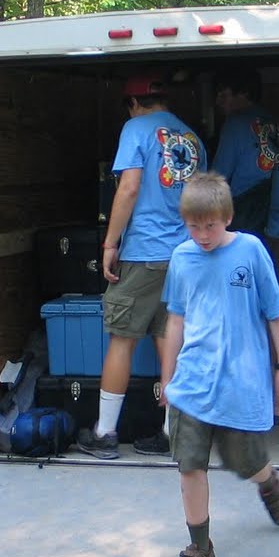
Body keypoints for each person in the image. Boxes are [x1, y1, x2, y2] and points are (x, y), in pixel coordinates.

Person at [158, 173, 279, 557]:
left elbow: (275, 311)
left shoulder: (251, 251)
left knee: (244, 461)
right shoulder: (182, 258)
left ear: (228, 217)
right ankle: (200, 547)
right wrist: (167, 379)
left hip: (241, 381)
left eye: (211, 225)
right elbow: (176, 319)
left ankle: (267, 480)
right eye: (193, 225)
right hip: (193, 383)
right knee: (190, 464)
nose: (202, 235)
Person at [74, 71, 205, 460]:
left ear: (133, 104)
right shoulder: (192, 138)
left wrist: (110, 242)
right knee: (171, 338)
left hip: (144, 252)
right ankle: (169, 433)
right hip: (186, 255)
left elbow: (129, 187)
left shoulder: (135, 129)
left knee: (122, 338)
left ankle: (105, 433)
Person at [210, 68, 279, 423]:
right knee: (273, 310)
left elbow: (217, 181)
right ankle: (278, 403)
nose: (219, 103)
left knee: (238, 314)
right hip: (278, 229)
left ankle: (240, 402)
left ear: (239, 93)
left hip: (244, 229)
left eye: (222, 94)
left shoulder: (235, 126)